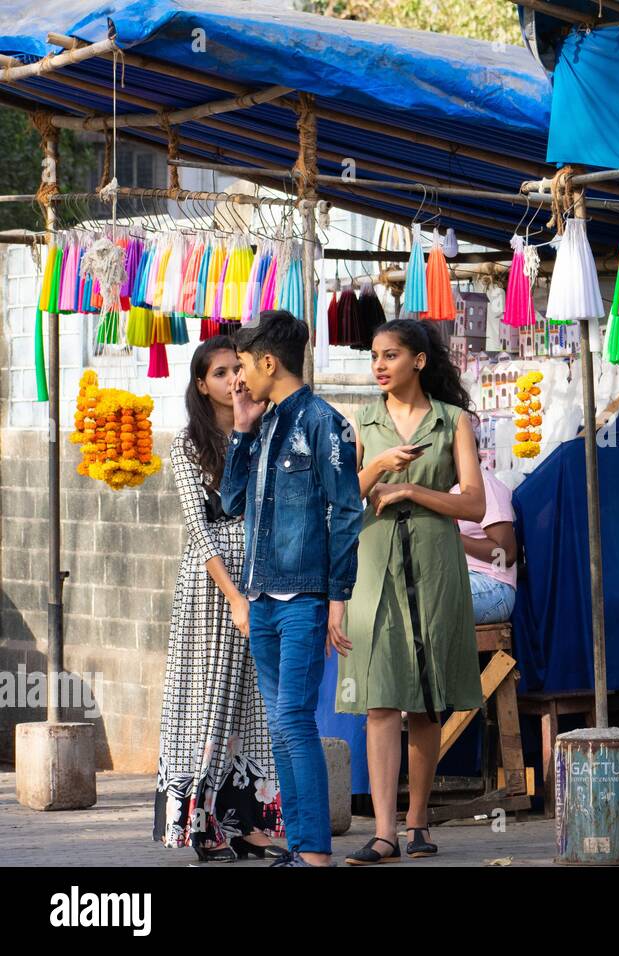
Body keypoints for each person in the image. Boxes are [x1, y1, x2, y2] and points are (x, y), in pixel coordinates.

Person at [336, 319, 485, 865]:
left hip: (436, 564)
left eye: (390, 355)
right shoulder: (362, 422)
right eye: (374, 356)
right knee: (379, 700)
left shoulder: (453, 422)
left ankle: (418, 822)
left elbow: (474, 505)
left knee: (426, 701)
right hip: (372, 568)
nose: (378, 365)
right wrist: (376, 467)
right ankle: (383, 832)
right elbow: (342, 502)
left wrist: (413, 490)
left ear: (418, 362)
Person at [221, 310, 364, 868]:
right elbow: (231, 505)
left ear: (269, 362)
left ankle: (314, 853)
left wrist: (337, 596)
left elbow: (346, 512)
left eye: (242, 369)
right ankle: (305, 846)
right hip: (261, 599)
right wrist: (240, 425)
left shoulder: (323, 423)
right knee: (281, 729)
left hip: (304, 597)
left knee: (292, 720)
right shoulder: (264, 423)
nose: (238, 380)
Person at [156, 336, 287, 863]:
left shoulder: (264, 430)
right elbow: (200, 530)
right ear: (200, 383)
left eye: (239, 368)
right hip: (213, 586)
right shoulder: (187, 445)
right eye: (221, 372)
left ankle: (249, 824)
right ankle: (203, 826)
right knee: (207, 700)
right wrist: (234, 595)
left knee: (254, 705)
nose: (234, 378)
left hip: (264, 573)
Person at [452, 463, 518, 625]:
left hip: (492, 585)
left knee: (427, 604)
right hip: (461, 578)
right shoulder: (449, 487)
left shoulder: (484, 484)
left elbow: (505, 555)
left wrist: (451, 537)